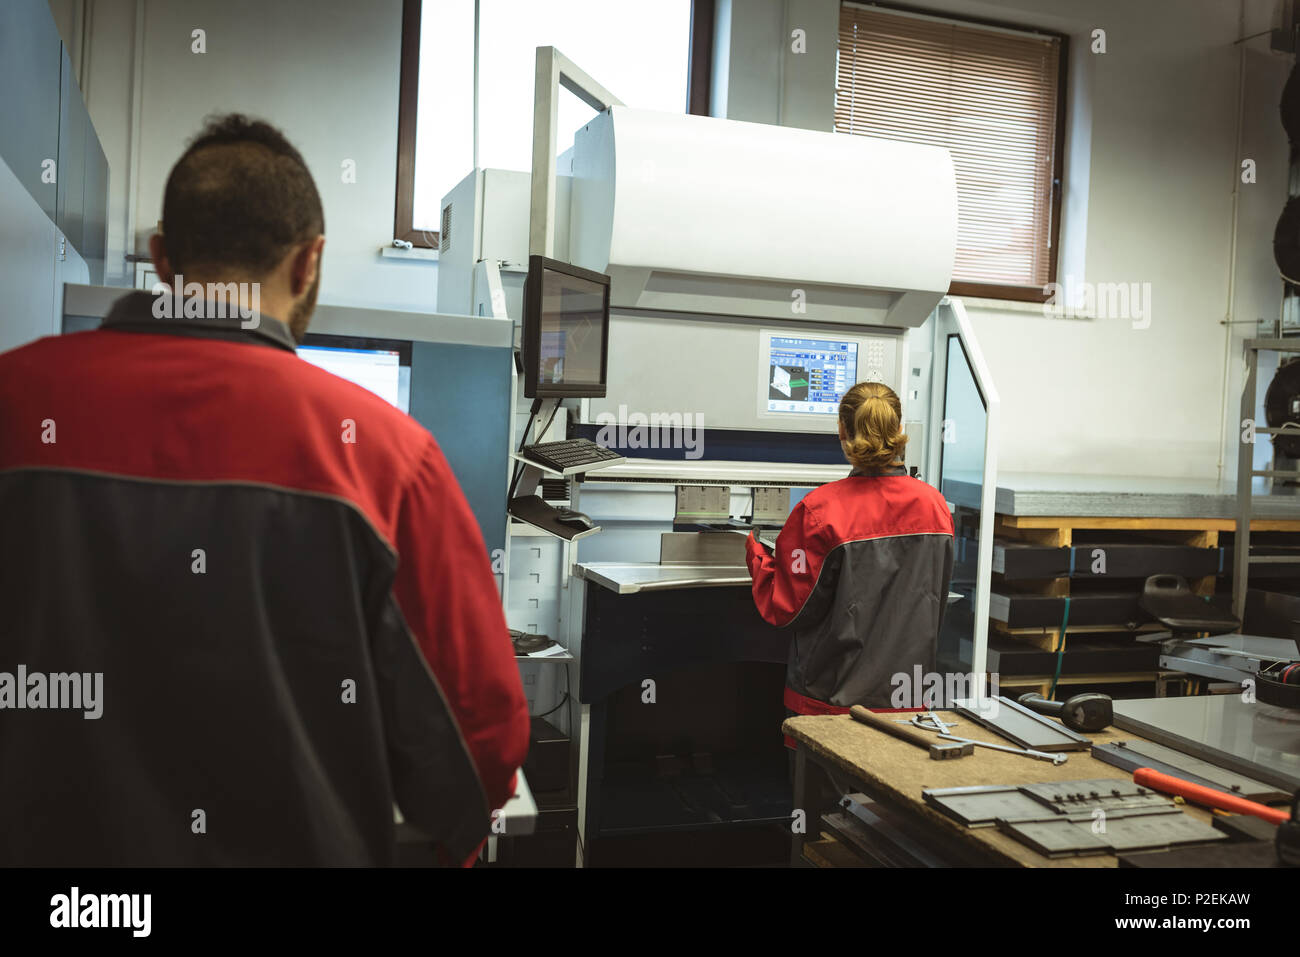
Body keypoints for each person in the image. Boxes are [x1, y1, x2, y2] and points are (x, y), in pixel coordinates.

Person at [0, 114, 529, 866]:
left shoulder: (15, 404)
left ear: (159, 257)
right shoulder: (388, 459)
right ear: (310, 262)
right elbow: (481, 747)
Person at [746, 382, 955, 726]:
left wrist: (757, 556)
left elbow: (787, 608)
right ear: (899, 430)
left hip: (830, 709)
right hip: (909, 706)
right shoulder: (935, 506)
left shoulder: (820, 510)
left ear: (842, 431)